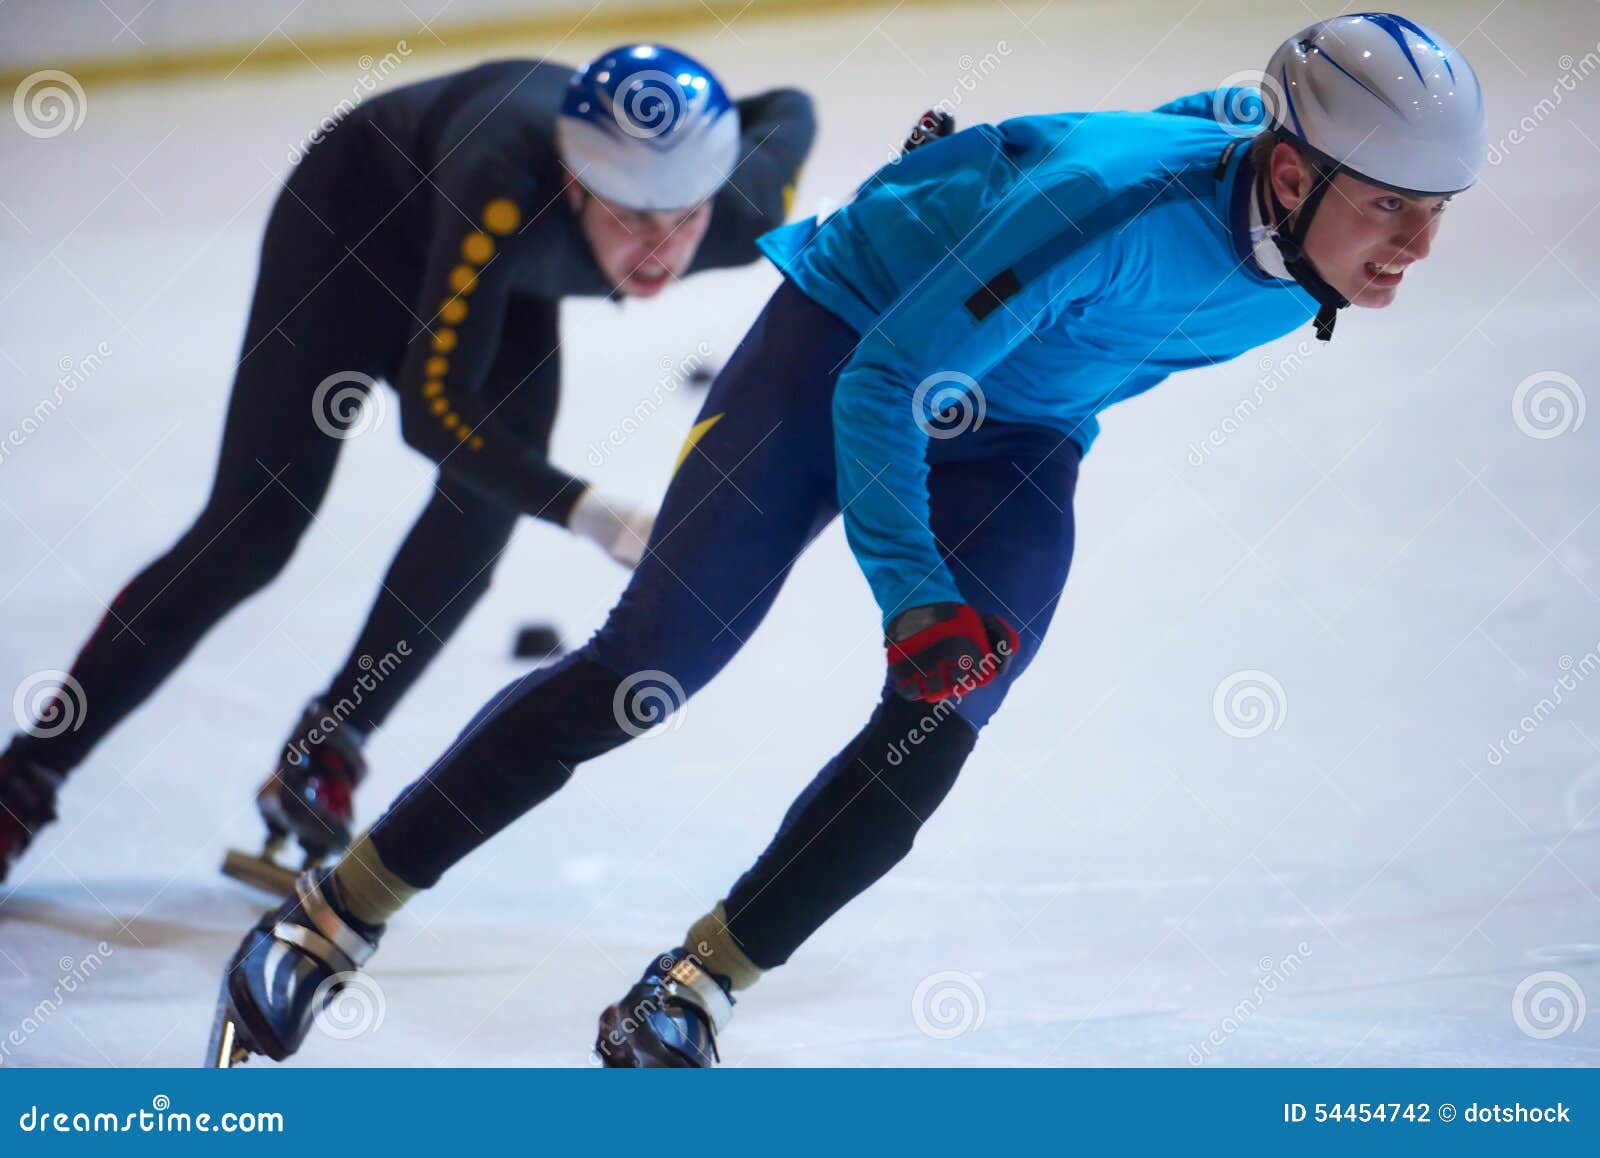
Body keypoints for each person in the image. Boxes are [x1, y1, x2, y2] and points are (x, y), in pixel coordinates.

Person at [206, 13, 1486, 1066]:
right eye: (1389, 208)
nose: (1420, 247)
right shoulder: (1112, 213)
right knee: (645, 672)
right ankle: (331, 918)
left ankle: (691, 993)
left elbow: (1204, 110)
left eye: (1437, 208)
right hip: (851, 343)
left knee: (949, 712)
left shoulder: (1284, 189)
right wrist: (912, 592)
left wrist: (969, 165)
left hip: (1019, 425)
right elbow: (883, 384)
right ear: (1288, 173)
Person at [0, 46, 815, 889]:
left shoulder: (742, 208)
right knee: (252, 531)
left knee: (484, 508)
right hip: (357, 228)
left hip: (503, 273)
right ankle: (26, 775)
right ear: (574, 184)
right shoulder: (509, 184)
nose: (659, 250)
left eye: (683, 218)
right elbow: (436, 414)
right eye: (632, 220)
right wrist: (594, 512)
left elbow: (792, 100)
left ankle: (335, 742)